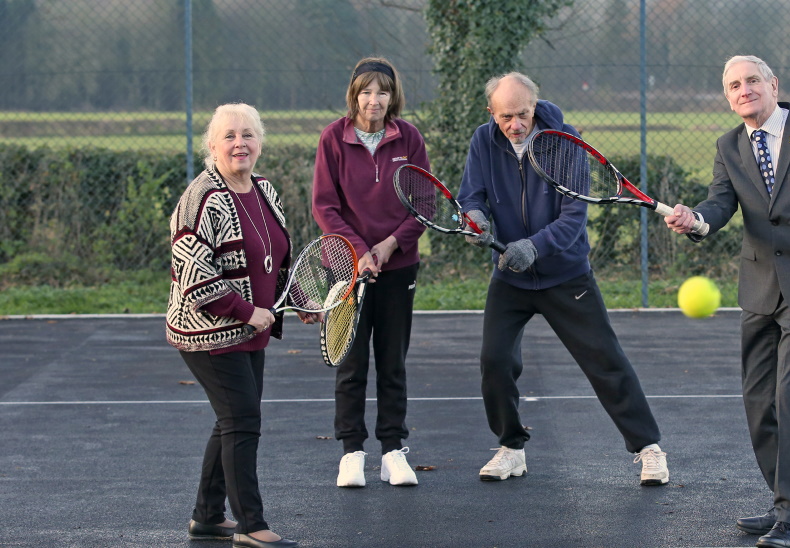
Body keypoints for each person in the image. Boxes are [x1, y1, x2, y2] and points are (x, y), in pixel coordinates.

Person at [664, 55, 790, 548]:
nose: (744, 90)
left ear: (773, 84)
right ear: (728, 96)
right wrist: (698, 221)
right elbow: (720, 203)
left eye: (752, 80)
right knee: (759, 404)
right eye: (733, 85)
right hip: (758, 292)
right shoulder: (729, 146)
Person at [456, 72, 669, 486]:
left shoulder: (566, 141)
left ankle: (649, 449)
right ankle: (511, 448)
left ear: (534, 106)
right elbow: (472, 194)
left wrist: (533, 247)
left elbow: (573, 218)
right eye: (505, 117)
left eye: (522, 114)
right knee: (494, 361)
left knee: (605, 362)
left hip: (566, 274)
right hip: (510, 276)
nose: (515, 125)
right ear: (491, 113)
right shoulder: (483, 140)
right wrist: (476, 218)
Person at [167, 103, 313, 548]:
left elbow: (276, 257)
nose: (239, 144)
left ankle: (208, 516)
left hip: (249, 331)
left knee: (230, 419)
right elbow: (194, 280)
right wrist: (248, 311)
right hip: (207, 332)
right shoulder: (200, 199)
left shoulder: (264, 190)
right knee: (243, 418)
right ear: (212, 145)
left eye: (248, 135)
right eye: (229, 136)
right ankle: (250, 524)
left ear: (260, 142)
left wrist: (298, 301)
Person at [312, 56, 430, 488]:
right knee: (351, 363)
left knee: (392, 363)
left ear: (392, 95)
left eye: (382, 91)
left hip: (398, 268)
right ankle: (351, 452)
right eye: (366, 90)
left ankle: (393, 450)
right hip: (346, 271)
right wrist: (360, 252)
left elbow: (425, 205)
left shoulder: (410, 138)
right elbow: (324, 206)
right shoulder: (333, 138)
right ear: (354, 94)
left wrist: (387, 246)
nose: (374, 99)